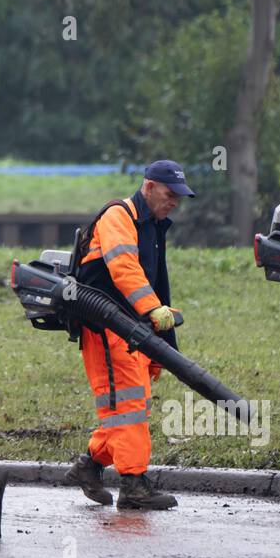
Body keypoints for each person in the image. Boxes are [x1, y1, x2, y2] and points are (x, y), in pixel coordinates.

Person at [62, 160, 191, 511]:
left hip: (130, 328)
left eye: (179, 196)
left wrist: (159, 335)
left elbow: (154, 276)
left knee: (129, 407)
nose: (175, 202)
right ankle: (133, 486)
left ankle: (89, 466)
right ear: (148, 187)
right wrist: (153, 309)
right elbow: (124, 269)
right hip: (107, 327)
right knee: (128, 407)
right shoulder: (120, 216)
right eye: (170, 194)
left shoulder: (152, 224)